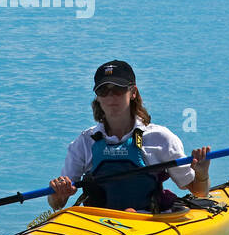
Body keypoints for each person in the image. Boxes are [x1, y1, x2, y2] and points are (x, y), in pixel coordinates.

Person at [48, 60, 211, 214]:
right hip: (99, 223)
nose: (111, 97)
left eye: (118, 90)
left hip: (145, 221)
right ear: (97, 97)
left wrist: (202, 173)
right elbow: (56, 204)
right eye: (104, 91)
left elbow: (198, 191)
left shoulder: (160, 138)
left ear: (133, 92)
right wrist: (58, 194)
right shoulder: (84, 142)